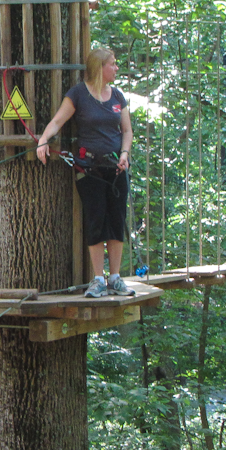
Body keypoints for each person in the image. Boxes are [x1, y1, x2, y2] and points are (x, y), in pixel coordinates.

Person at [36, 48, 135, 299]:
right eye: (112, 64)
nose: (116, 68)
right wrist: (44, 139)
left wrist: (124, 154)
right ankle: (98, 279)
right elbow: (58, 120)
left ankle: (115, 278)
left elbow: (127, 131)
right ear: (99, 67)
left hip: (116, 169)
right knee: (95, 221)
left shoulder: (117, 96)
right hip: (89, 169)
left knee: (116, 221)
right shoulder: (78, 94)